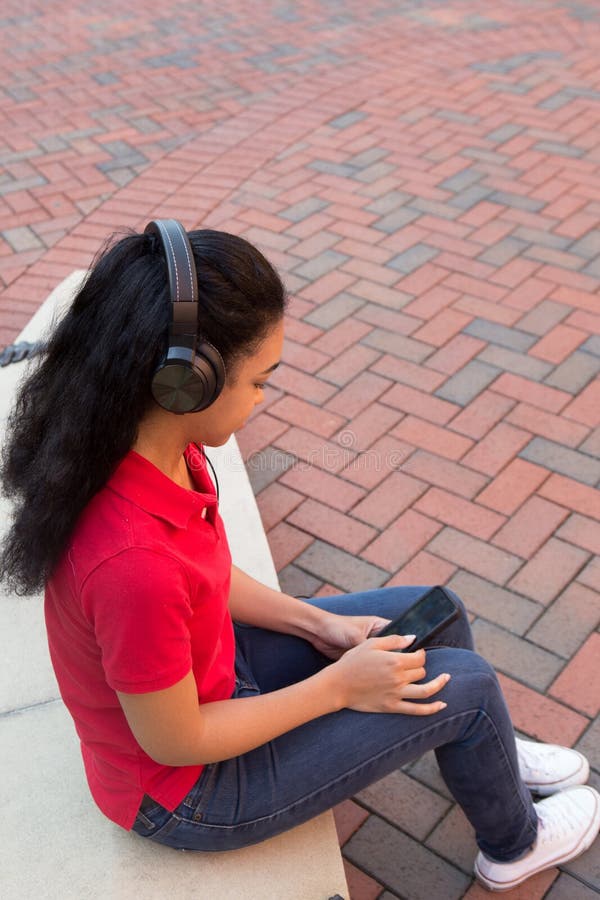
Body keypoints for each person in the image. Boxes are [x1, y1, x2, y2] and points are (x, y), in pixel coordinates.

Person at [1, 219, 598, 893]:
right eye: (259, 382)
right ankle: (513, 843)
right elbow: (177, 741)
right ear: (184, 384)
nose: (262, 399)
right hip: (192, 792)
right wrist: (336, 688)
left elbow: (206, 573)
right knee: (469, 689)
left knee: (438, 613)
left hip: (219, 675)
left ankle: (485, 748)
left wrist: (317, 626)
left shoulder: (154, 448)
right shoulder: (128, 563)